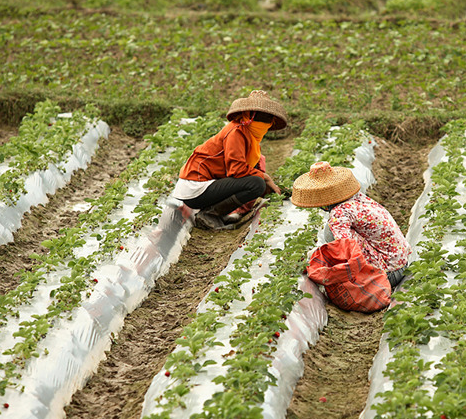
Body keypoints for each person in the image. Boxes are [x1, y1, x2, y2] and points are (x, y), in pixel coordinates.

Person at [174, 90, 286, 230]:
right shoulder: (236, 132)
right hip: (196, 187)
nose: (264, 123)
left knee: (257, 175)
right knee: (257, 183)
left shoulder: (249, 136)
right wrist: (266, 178)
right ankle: (210, 214)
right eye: (261, 117)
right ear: (249, 116)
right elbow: (237, 170)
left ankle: (221, 212)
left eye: (268, 119)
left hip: (208, 184)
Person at [291, 161, 411, 288]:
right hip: (402, 265)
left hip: (387, 275)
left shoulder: (339, 213)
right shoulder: (358, 198)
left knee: (330, 232)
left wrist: (314, 259)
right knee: (334, 235)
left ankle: (364, 279)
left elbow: (344, 250)